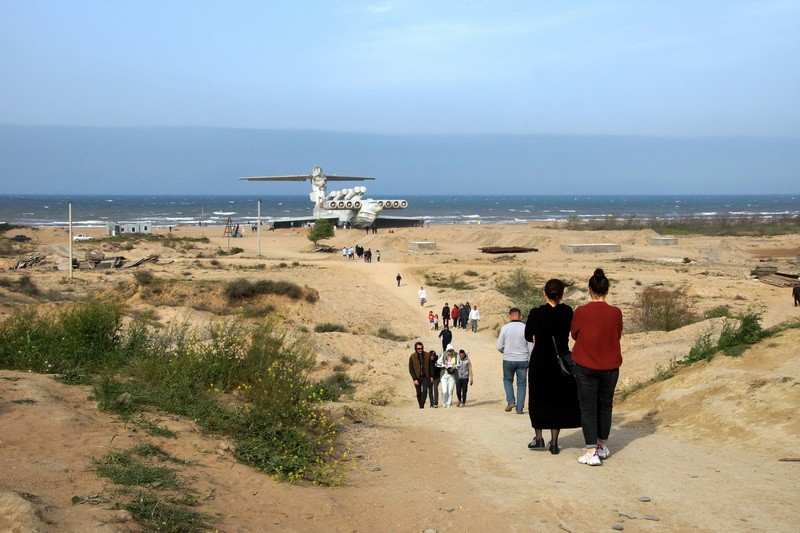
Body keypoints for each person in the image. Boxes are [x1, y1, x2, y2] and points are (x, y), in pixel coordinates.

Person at [571, 268, 623, 466]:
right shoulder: (615, 312)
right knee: (605, 405)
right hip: (610, 366)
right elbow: (617, 334)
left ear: (589, 290)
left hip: (585, 364)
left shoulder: (582, 312)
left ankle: (591, 450)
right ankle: (601, 445)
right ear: (607, 290)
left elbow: (574, 334)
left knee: (588, 408)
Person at [524, 279, 581, 454]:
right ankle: (554, 442)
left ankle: (538, 438)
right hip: (561, 363)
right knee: (557, 400)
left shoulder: (536, 313)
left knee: (538, 399)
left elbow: (527, 335)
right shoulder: (567, 311)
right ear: (562, 294)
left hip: (540, 362)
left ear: (545, 293)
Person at [496, 307, 532, 414]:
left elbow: (499, 346)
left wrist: (506, 351)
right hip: (522, 359)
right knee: (521, 383)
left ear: (509, 316)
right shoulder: (526, 328)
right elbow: (531, 347)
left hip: (508, 358)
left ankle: (511, 401)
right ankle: (519, 408)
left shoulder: (505, 328)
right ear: (520, 316)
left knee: (507, 380)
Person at [409, 342, 434, 409]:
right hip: (417, 377)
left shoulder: (427, 355)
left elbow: (431, 366)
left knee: (425, 390)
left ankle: (421, 405)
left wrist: (431, 376)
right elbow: (411, 369)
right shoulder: (412, 357)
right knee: (419, 392)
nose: (420, 350)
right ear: (416, 349)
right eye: (418, 349)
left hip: (425, 376)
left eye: (421, 348)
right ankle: (421, 405)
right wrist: (414, 379)